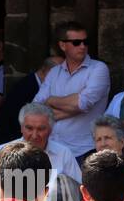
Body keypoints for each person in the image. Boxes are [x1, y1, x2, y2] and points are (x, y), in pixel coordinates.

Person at [33, 21, 110, 159]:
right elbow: (36, 107)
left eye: (85, 42)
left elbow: (82, 103)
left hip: (84, 150)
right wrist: (74, 105)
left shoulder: (98, 68)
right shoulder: (54, 72)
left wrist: (50, 100)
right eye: (76, 42)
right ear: (62, 45)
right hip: (52, 149)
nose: (82, 46)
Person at [0, 103, 81, 201]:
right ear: (21, 128)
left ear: (50, 130)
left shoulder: (63, 154)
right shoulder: (2, 152)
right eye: (29, 128)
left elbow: (78, 191)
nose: (35, 135)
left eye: (41, 129)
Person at [0, 55, 60, 150]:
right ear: (47, 71)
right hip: (10, 144)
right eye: (60, 73)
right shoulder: (27, 87)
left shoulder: (34, 84)